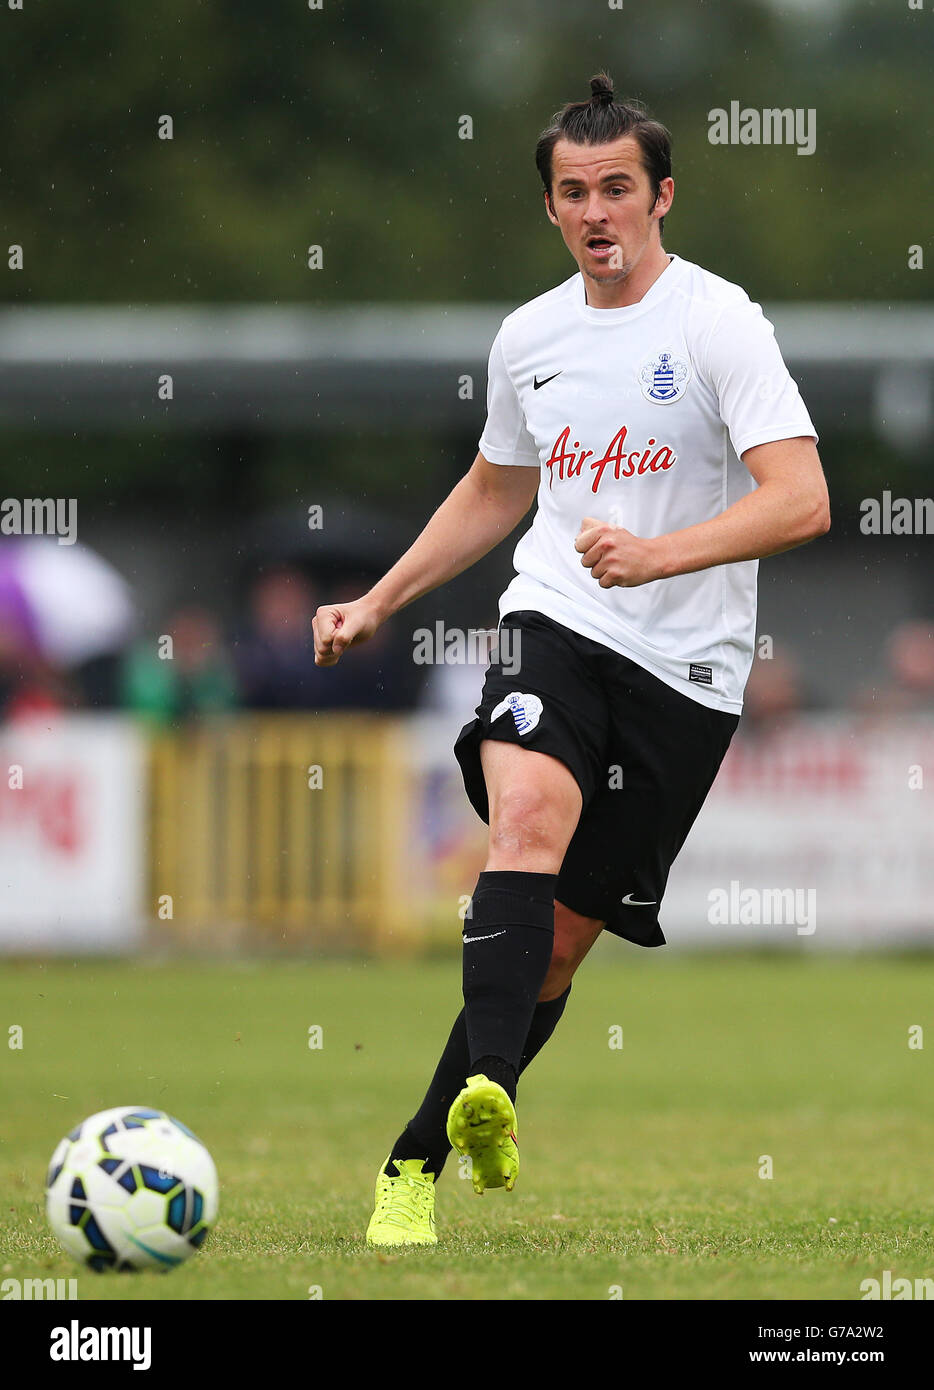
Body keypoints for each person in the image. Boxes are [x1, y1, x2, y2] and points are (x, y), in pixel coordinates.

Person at [312, 72, 830, 1246]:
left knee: (556, 947)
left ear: (661, 198)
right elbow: (498, 486)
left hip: (688, 676)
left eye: (615, 189)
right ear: (549, 209)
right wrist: (381, 596)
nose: (594, 211)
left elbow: (802, 500)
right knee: (524, 823)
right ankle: (481, 1098)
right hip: (556, 620)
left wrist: (661, 557)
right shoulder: (529, 337)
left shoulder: (717, 321)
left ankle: (420, 1148)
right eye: (570, 193)